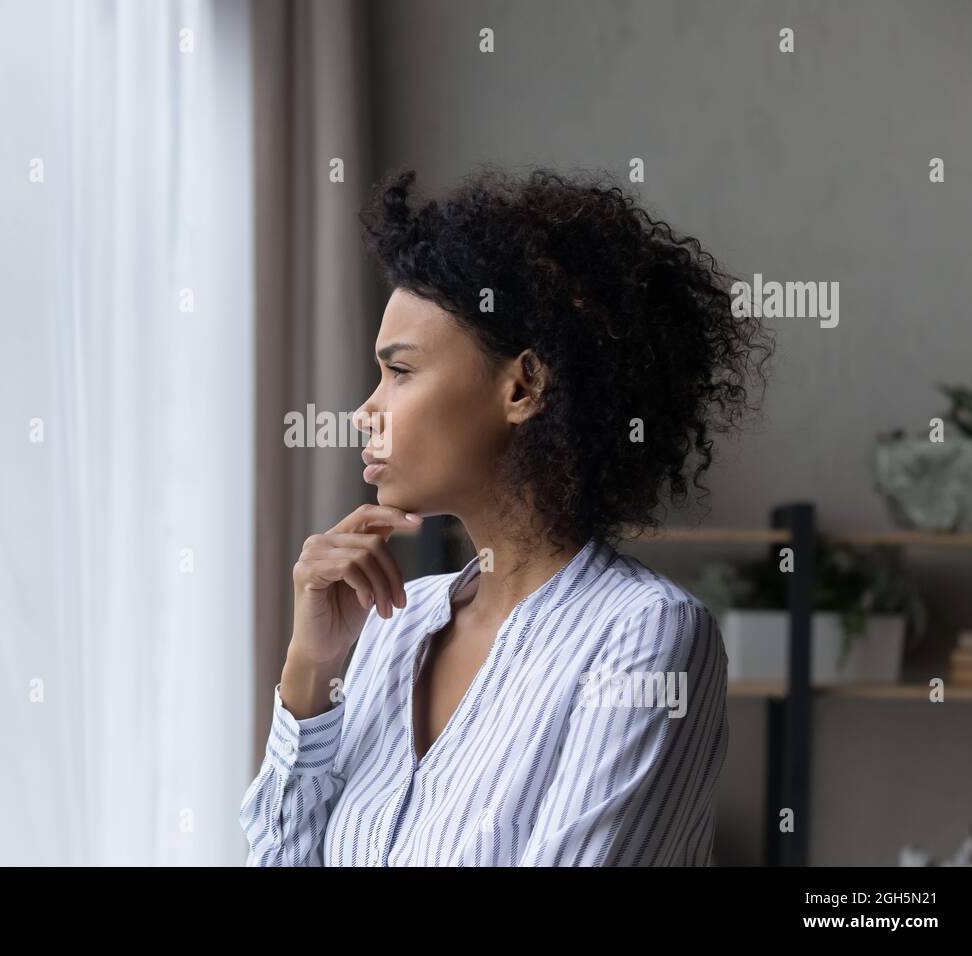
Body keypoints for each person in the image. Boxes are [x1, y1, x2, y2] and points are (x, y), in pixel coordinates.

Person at [240, 165, 774, 866]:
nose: (364, 411)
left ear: (522, 386)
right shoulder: (390, 628)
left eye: (399, 372)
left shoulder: (644, 634)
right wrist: (310, 671)